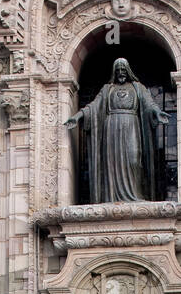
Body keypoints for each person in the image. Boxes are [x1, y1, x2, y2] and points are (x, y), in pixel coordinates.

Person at [64, 56, 168, 203]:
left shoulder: (138, 88)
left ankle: (136, 195)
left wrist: (157, 112)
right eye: (118, 70)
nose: (121, 73)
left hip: (132, 126)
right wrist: (78, 116)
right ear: (115, 72)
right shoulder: (107, 89)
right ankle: (111, 197)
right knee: (112, 164)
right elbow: (94, 106)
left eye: (123, 70)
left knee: (133, 160)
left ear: (128, 71)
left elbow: (149, 104)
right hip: (111, 128)